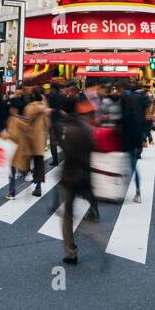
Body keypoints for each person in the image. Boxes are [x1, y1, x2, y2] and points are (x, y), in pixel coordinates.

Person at [58, 97, 97, 265]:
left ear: (64, 111)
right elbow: (93, 148)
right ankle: (91, 226)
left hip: (69, 175)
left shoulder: (65, 129)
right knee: (84, 202)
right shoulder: (86, 128)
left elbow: (66, 152)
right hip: (85, 173)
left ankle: (70, 252)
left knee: (67, 215)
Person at [121, 85, 148, 202]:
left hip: (126, 141)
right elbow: (144, 127)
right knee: (133, 165)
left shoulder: (125, 115)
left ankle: (128, 188)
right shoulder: (139, 114)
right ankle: (138, 191)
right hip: (136, 140)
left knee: (127, 164)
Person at [23, 88, 50, 196]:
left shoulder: (29, 108)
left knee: (25, 159)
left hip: (29, 139)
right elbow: (47, 125)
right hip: (40, 139)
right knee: (39, 164)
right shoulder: (44, 109)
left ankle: (28, 174)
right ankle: (38, 186)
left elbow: (26, 123)